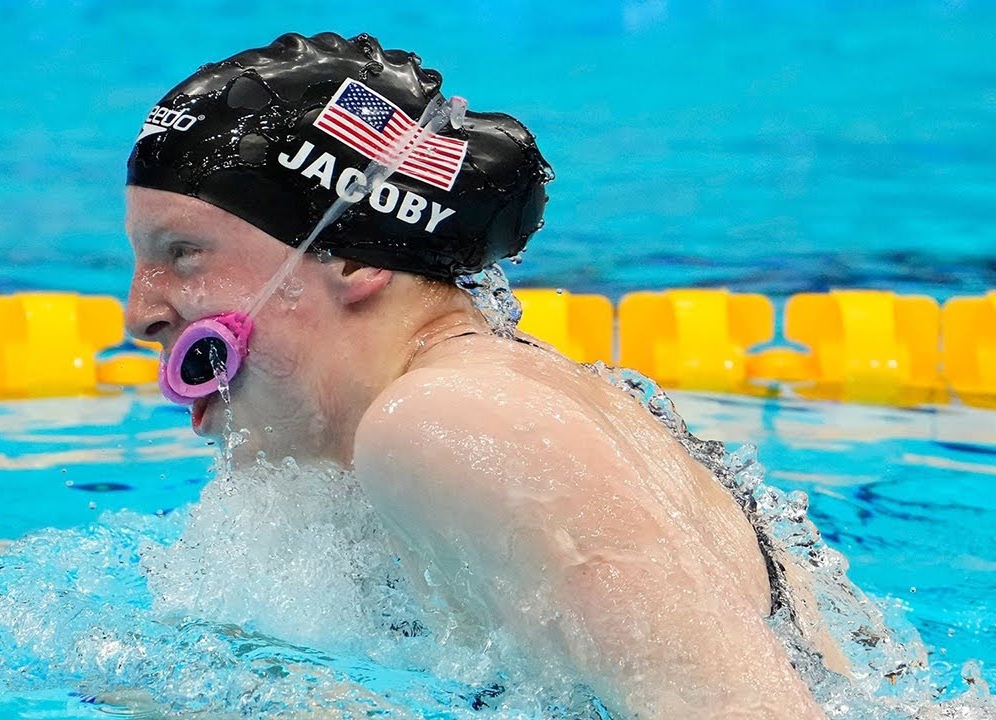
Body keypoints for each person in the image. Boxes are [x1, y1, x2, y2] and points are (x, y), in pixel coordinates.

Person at [124, 31, 834, 719]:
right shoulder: (461, 413)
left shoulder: (452, 421)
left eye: (183, 253)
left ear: (352, 260)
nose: (141, 313)